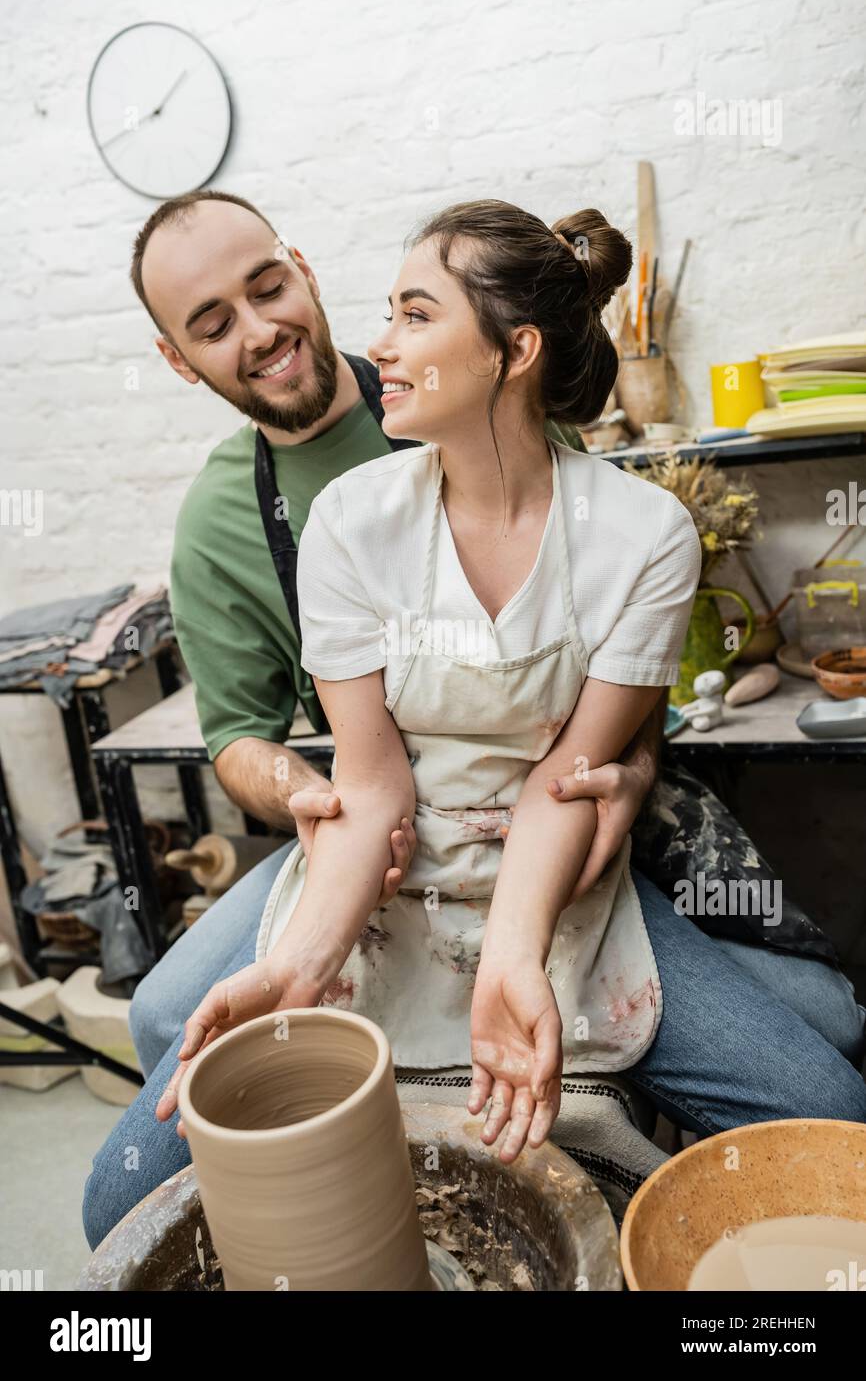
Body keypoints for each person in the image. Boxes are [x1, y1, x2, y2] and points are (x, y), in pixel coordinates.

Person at [82, 193, 866, 1250]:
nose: (375, 345)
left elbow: (568, 778)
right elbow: (366, 786)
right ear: (179, 355)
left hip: (562, 865)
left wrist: (513, 957)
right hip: (379, 866)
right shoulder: (343, 524)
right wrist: (303, 966)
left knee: (825, 1099)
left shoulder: (640, 534)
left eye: (411, 316)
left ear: (514, 351)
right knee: (113, 1198)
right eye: (211, 321)